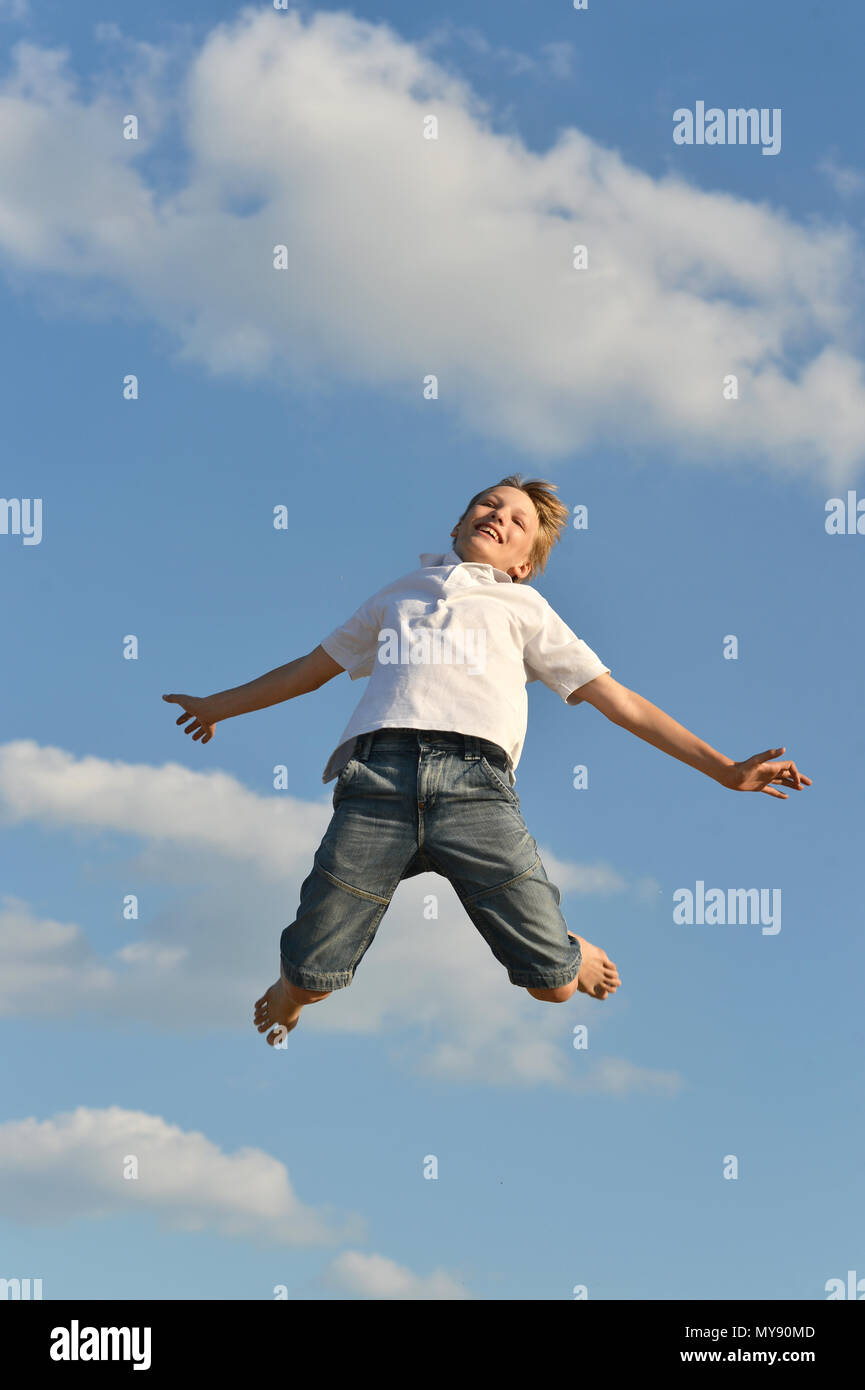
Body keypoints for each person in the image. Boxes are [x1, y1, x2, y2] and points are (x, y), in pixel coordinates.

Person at [163, 475, 810, 1046]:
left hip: (477, 792)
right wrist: (218, 706)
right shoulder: (401, 592)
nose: (498, 516)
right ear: (458, 523)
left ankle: (567, 954)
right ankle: (292, 992)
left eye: (517, 520)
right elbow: (310, 670)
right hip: (377, 784)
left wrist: (726, 770)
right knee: (311, 973)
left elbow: (618, 702)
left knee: (552, 988)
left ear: (525, 564)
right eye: (488, 504)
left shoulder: (525, 609)